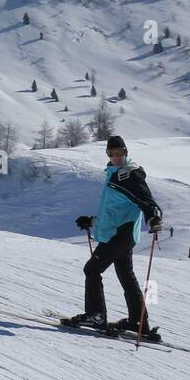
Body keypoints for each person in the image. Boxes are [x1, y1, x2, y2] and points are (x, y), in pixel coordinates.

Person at [71, 135, 163, 331]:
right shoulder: (114, 174)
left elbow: (145, 199)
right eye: (111, 153)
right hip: (123, 232)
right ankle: (138, 322)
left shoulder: (128, 174)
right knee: (126, 274)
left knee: (92, 269)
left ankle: (96, 315)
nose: (116, 157)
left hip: (120, 234)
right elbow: (114, 210)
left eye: (119, 152)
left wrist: (153, 216)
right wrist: (93, 221)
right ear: (107, 154)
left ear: (126, 152)